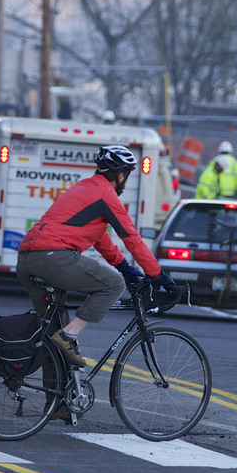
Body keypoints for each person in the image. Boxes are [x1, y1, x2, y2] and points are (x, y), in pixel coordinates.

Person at [15, 145, 176, 367]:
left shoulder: (83, 188)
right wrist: (157, 275)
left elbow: (100, 238)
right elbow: (131, 237)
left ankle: (56, 401)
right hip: (53, 257)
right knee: (112, 285)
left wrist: (125, 267)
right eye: (126, 175)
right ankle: (70, 334)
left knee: (53, 339)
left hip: (26, 258)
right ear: (121, 175)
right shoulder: (106, 195)